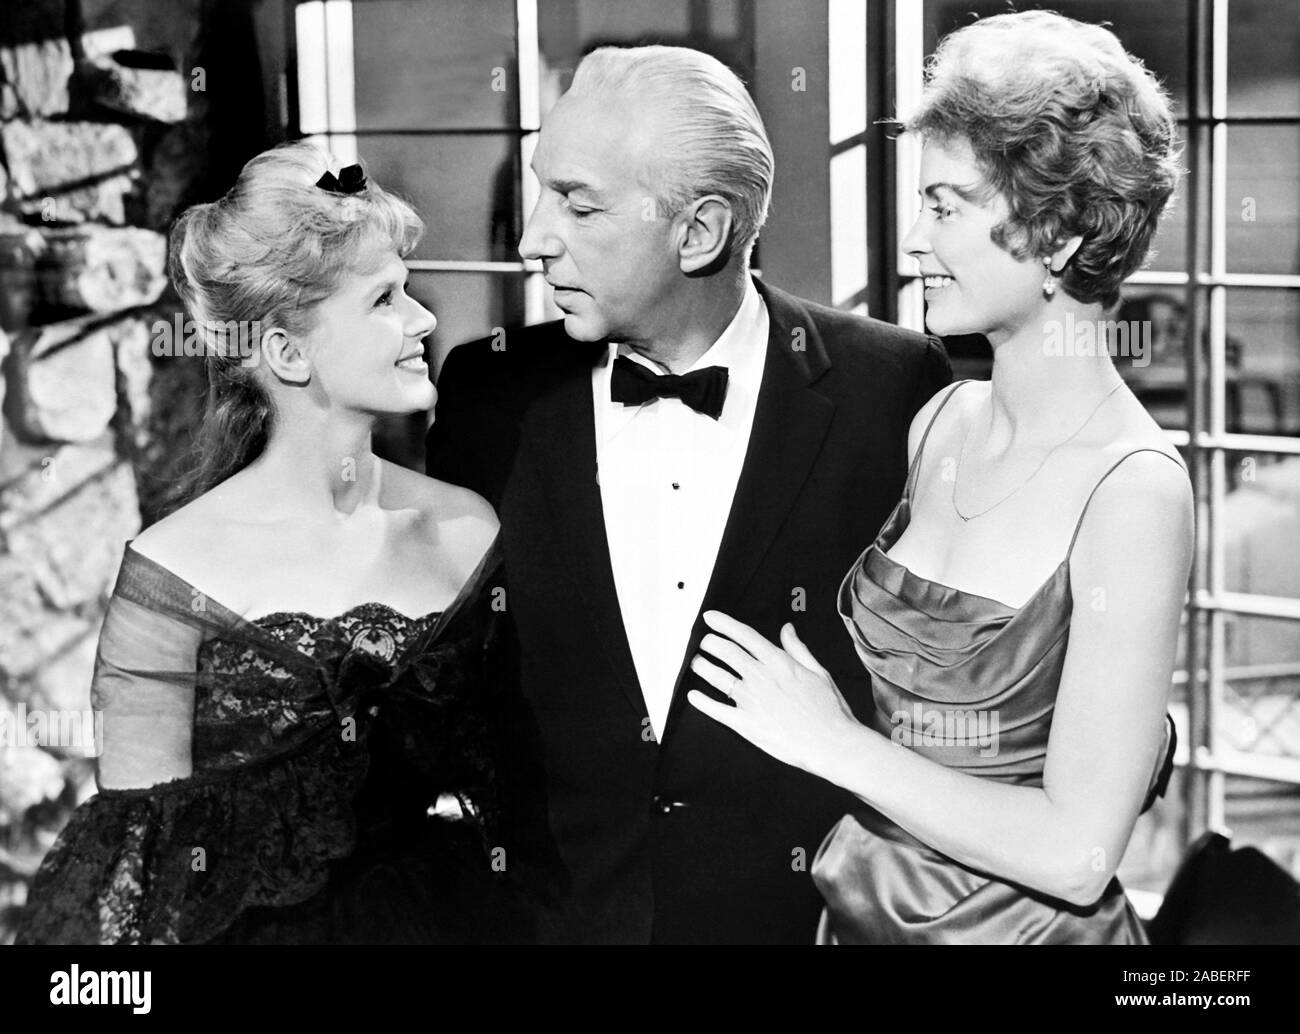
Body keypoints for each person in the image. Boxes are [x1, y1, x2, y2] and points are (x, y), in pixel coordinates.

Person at [426, 45, 952, 943]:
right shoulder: (486, 396)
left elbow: (946, 673)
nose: (533, 237)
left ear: (700, 232)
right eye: (541, 191)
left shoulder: (892, 388)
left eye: (577, 204)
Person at [688, 10, 1191, 944]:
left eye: (947, 206)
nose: (915, 240)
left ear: (1059, 234)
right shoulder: (938, 422)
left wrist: (840, 746)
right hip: (855, 916)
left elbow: (1078, 859)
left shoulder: (1133, 491)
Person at [16, 142, 528, 944]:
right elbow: (143, 905)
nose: (423, 319)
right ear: (287, 353)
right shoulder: (171, 577)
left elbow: (529, 794)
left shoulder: (467, 528)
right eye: (384, 299)